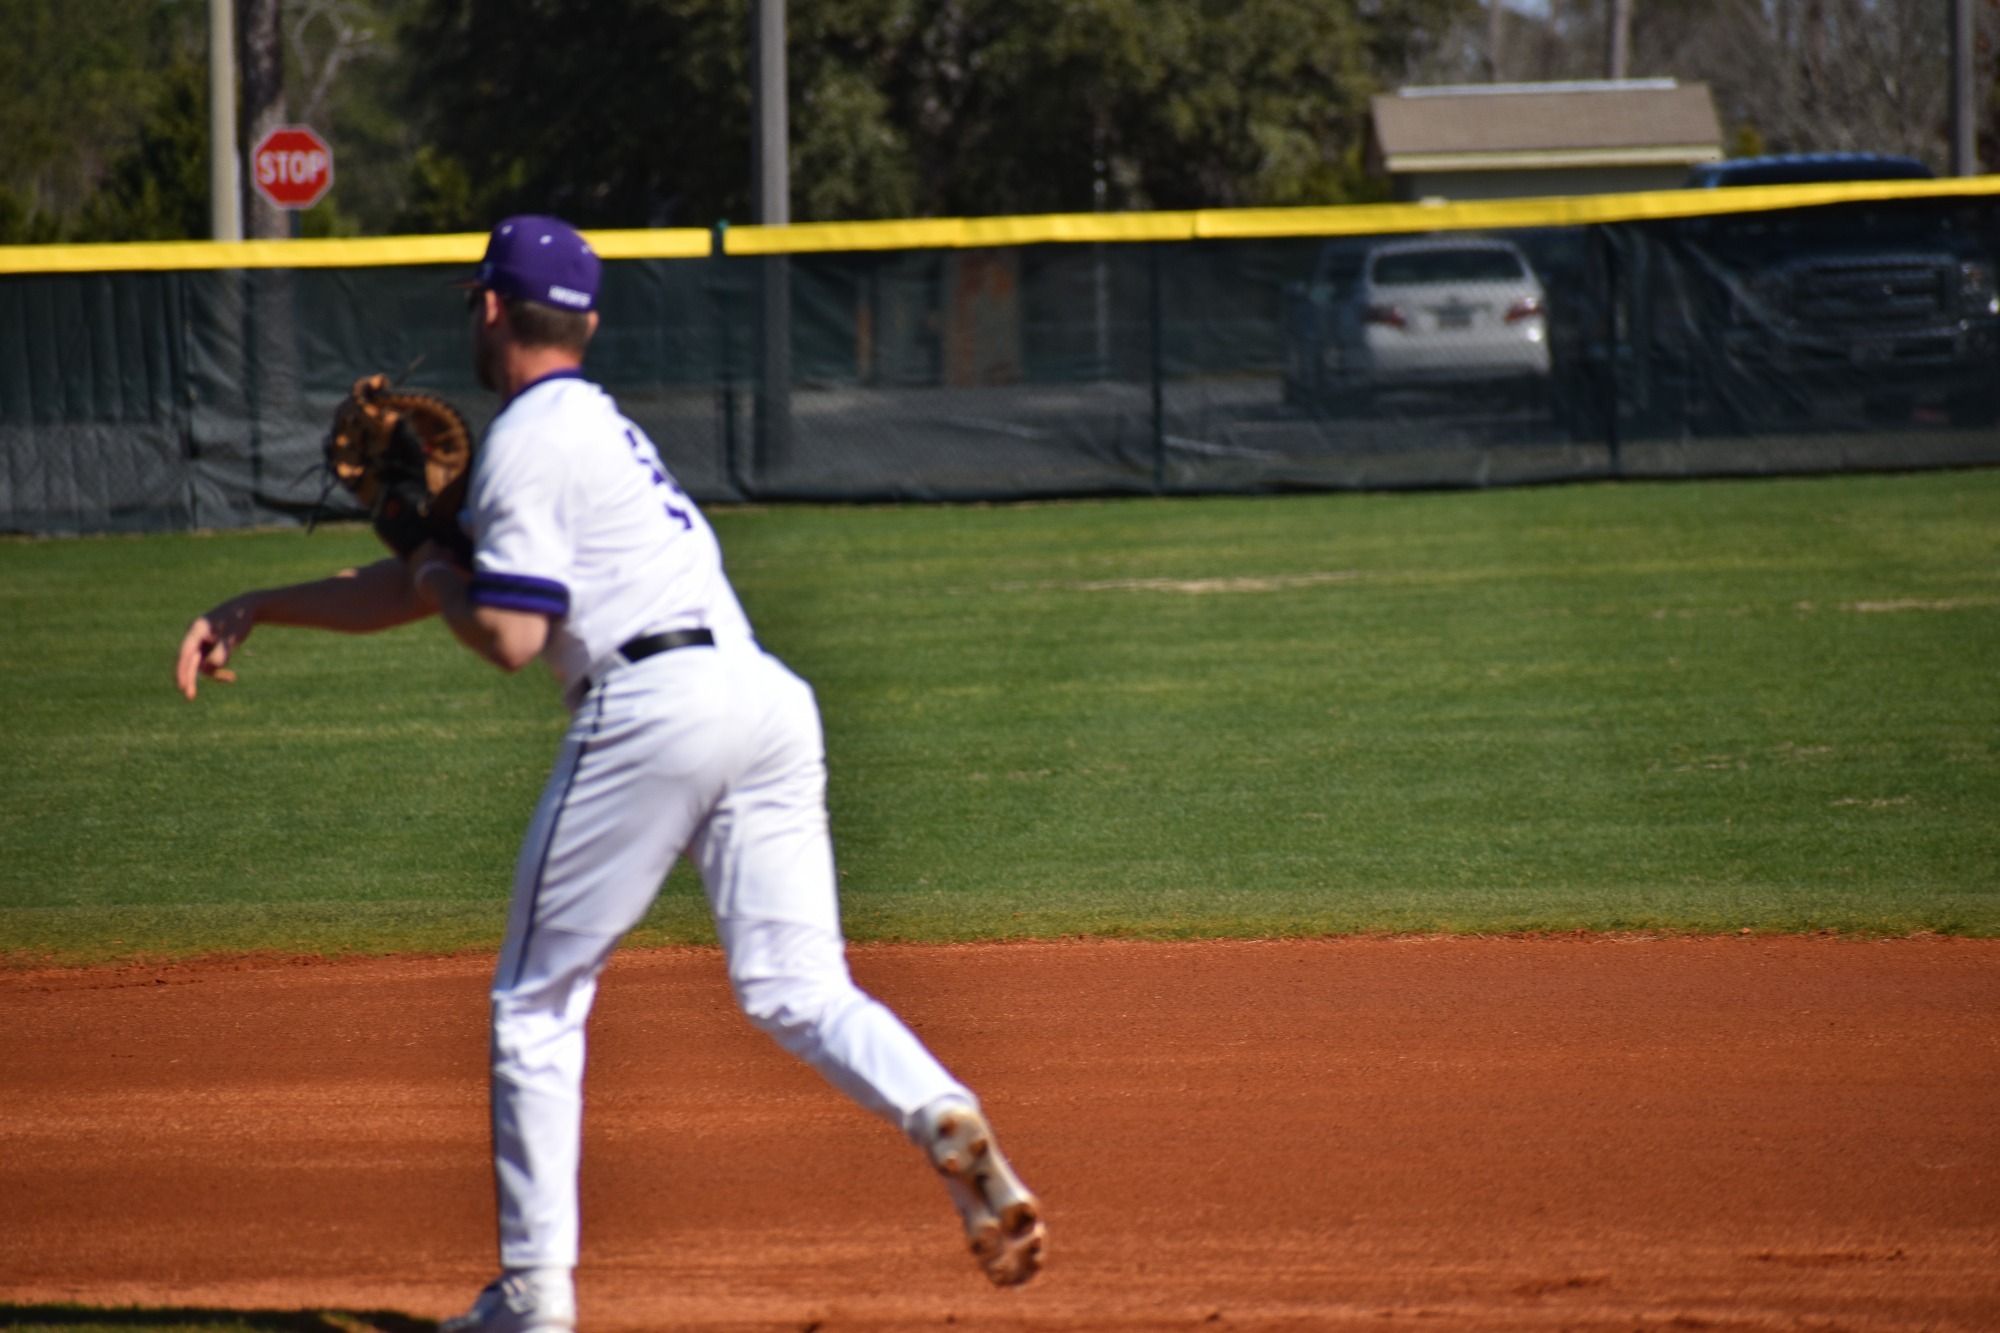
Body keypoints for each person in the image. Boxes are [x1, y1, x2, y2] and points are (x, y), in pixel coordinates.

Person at [174, 215, 1046, 1332]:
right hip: (764, 700)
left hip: (653, 709)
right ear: (583, 321)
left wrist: (437, 563)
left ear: (489, 307)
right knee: (794, 985)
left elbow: (508, 638)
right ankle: (936, 1107)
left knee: (536, 1001)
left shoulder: (532, 439)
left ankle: (534, 1301)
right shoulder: (592, 426)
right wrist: (261, 605)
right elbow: (415, 586)